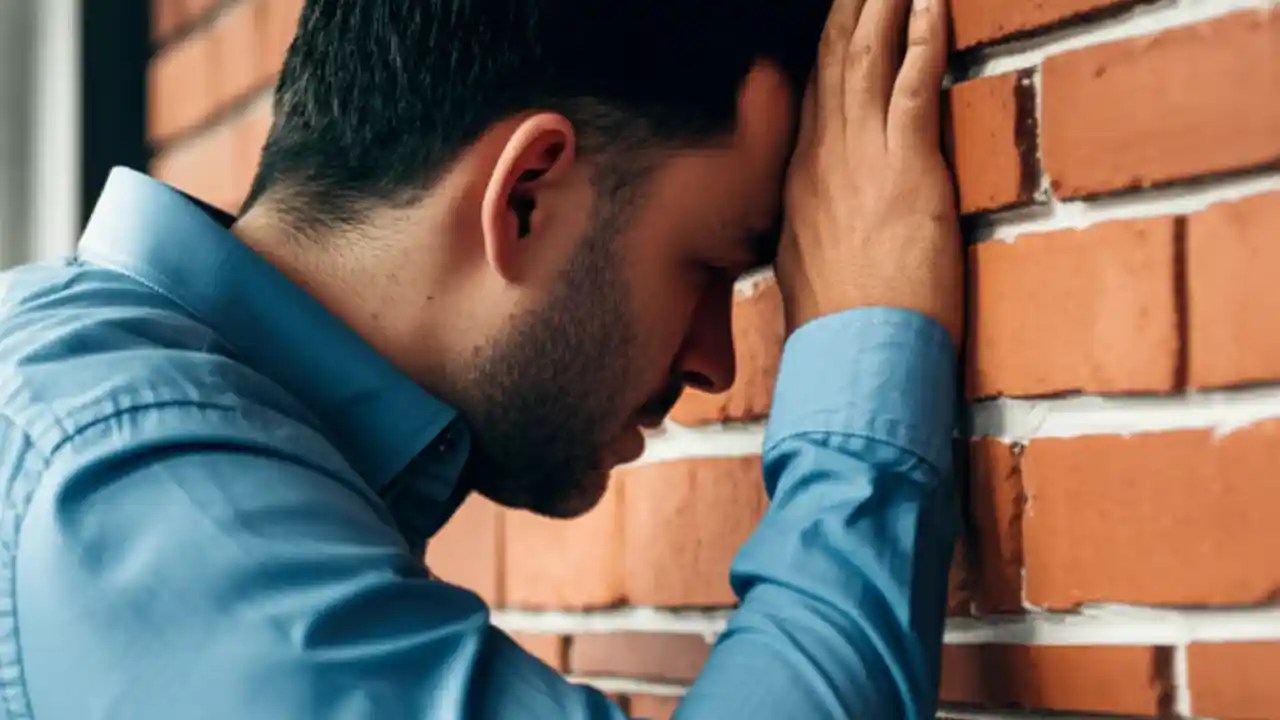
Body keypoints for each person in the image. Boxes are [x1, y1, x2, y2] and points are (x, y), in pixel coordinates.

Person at [0, 0, 962, 716]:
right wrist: (867, 353)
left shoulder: (90, 401)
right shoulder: (138, 492)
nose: (718, 363)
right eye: (708, 264)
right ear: (527, 195)